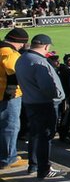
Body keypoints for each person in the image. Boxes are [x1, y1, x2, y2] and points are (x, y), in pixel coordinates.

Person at [15, 34, 66, 179]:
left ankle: (34, 165)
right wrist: (57, 95)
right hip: (43, 104)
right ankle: (43, 169)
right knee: (44, 136)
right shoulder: (39, 62)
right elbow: (48, 88)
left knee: (35, 135)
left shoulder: (22, 58)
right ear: (46, 46)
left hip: (30, 102)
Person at [0, 28, 29, 170]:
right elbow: (12, 71)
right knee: (10, 127)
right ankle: (8, 158)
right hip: (8, 96)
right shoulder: (9, 52)